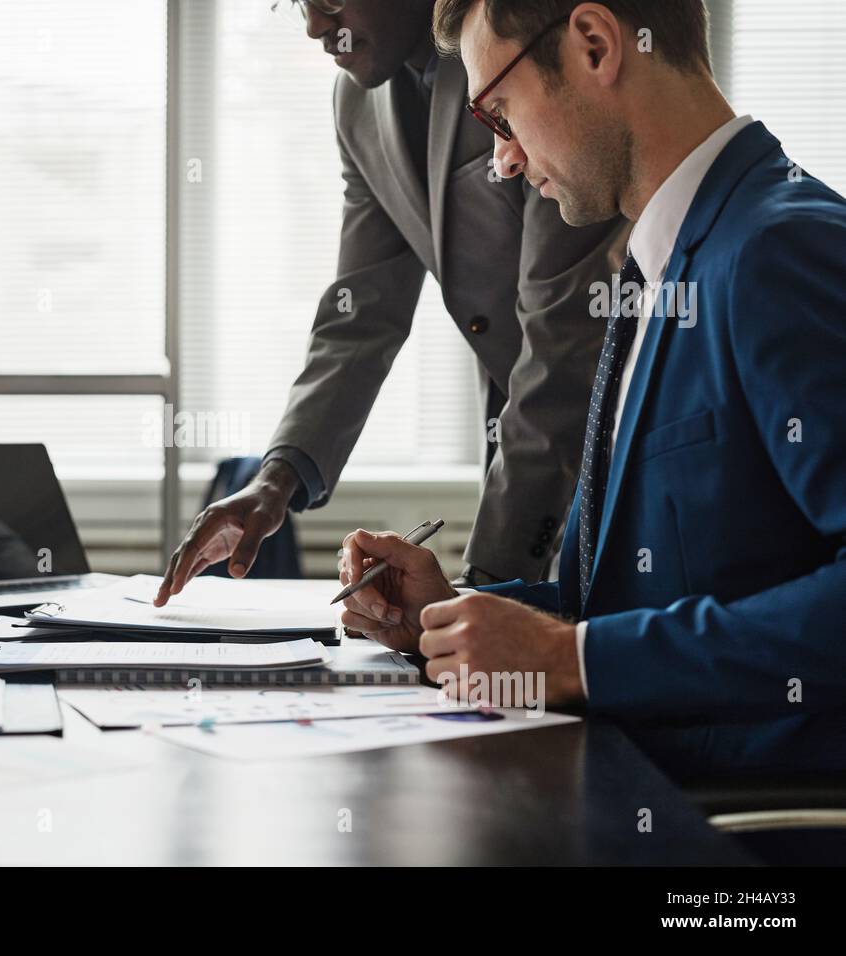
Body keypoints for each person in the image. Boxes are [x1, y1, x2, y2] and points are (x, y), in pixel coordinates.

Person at [338, 0, 846, 774]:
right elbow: (623, 607)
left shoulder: (781, 249)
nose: (501, 159)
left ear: (596, 45)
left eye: (499, 113)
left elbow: (593, 648)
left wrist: (575, 660)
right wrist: (454, 621)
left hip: (741, 841)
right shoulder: (650, 276)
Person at [154, 0, 625, 606]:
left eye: (328, 0)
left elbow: (563, 344)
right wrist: (277, 478)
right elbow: (361, 311)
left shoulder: (521, 57)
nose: (315, 26)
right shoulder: (356, 104)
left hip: (617, 431)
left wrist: (483, 590)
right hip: (519, 436)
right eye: (296, 4)